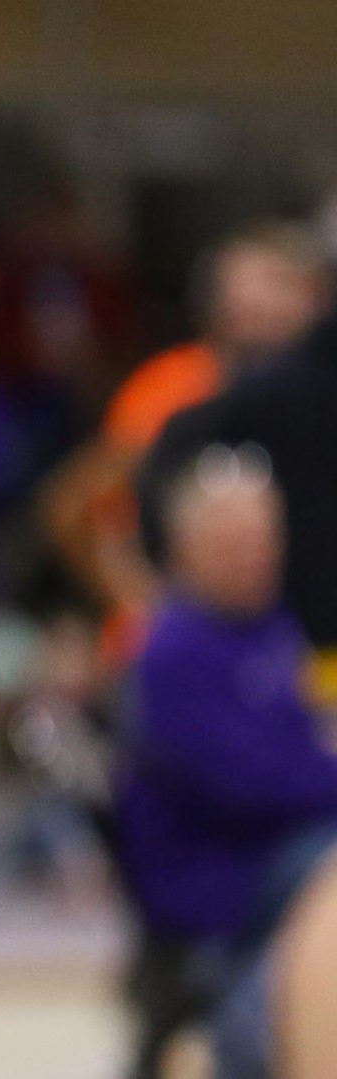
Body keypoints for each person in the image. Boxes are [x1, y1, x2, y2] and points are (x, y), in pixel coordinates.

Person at [113, 446, 337, 1079]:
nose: (253, 556)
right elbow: (242, 781)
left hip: (277, 850)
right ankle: (234, 1048)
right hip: (212, 870)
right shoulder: (172, 649)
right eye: (232, 542)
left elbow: (296, 754)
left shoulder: (271, 629)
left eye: (262, 539)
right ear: (185, 548)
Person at [43, 222, 326, 667]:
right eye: (258, 285)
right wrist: (141, 606)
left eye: (286, 285)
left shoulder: (310, 401)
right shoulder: (179, 388)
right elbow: (75, 507)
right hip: (180, 662)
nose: (268, 304)